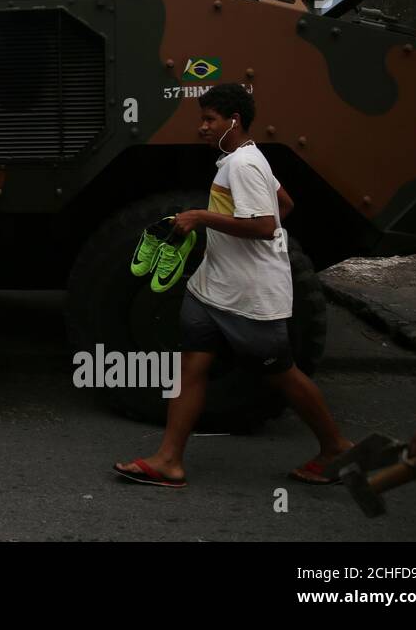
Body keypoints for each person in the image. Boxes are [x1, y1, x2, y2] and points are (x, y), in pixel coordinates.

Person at [113, 83, 353, 487]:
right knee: (190, 369)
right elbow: (286, 204)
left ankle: (336, 449)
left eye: (210, 120)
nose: (202, 127)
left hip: (249, 298)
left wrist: (201, 217)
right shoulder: (243, 159)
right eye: (202, 119)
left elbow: (264, 224)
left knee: (283, 374)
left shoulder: (243, 166)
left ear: (233, 120)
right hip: (209, 289)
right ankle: (169, 461)